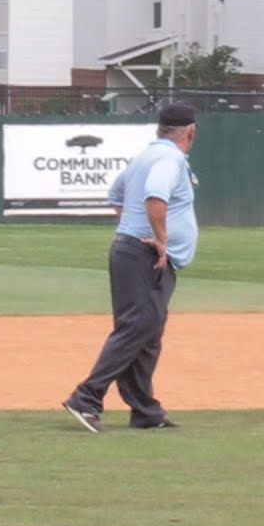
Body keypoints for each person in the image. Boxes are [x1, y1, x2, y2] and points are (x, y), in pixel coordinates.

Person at [63, 101, 200, 433]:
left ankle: (144, 410)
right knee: (137, 327)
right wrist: (158, 239)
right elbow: (155, 197)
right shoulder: (169, 160)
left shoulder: (147, 156)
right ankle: (86, 397)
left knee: (148, 331)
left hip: (134, 253)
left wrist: (132, 231)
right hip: (144, 255)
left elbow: (116, 194)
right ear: (190, 132)